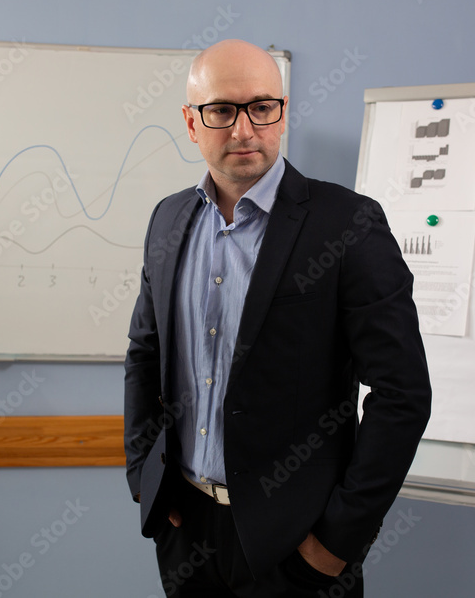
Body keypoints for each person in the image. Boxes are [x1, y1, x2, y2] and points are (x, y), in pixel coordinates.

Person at [124, 39, 431, 597]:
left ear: (282, 114)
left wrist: (336, 542)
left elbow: (403, 392)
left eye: (262, 107)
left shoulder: (348, 225)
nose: (245, 130)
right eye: (221, 111)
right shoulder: (167, 221)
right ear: (192, 124)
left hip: (297, 548)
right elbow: (145, 354)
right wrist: (145, 479)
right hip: (186, 533)